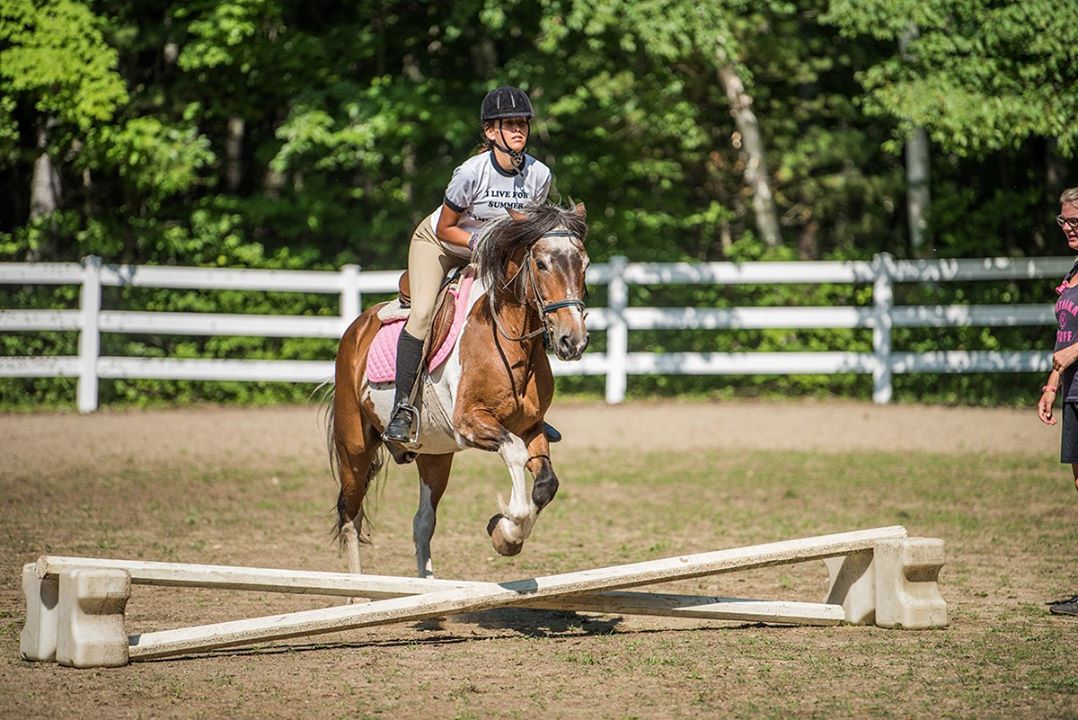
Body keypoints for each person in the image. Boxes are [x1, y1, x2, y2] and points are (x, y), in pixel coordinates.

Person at [383, 86, 558, 443]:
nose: (519, 130)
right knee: (422, 313)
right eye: (509, 124)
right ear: (491, 132)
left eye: (522, 123)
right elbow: (447, 227)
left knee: (532, 303)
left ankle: (529, 409)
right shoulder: (470, 173)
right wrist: (480, 244)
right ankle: (403, 407)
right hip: (443, 243)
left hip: (493, 252)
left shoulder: (539, 175)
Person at [1036, 186, 1078, 617]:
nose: (1067, 228)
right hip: (1072, 390)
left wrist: (1074, 353)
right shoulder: (1076, 268)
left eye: (1074, 222)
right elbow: (1063, 337)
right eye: (1063, 221)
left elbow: (1073, 345)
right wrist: (1052, 383)